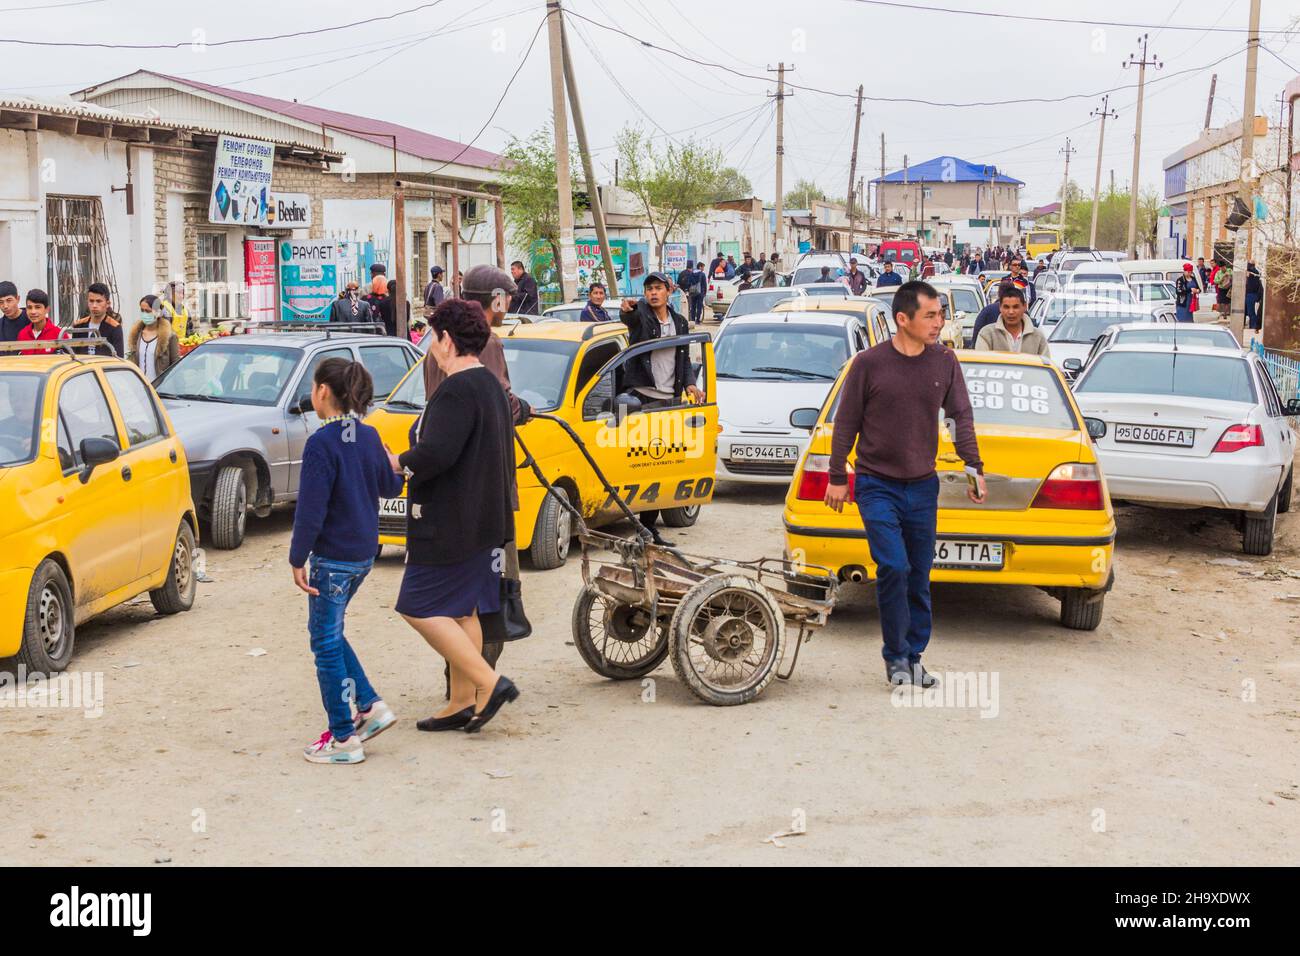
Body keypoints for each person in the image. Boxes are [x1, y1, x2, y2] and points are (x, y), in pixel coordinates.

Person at [823, 280, 985, 687]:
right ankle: (895, 656)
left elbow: (960, 415)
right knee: (893, 566)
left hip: (922, 486)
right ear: (902, 318)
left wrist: (973, 467)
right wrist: (838, 476)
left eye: (941, 315)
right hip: (877, 484)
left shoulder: (944, 362)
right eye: (930, 315)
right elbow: (847, 422)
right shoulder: (868, 364)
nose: (938, 323)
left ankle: (914, 656)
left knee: (918, 573)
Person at [389, 298, 520, 734]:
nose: (429, 345)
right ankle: (462, 701)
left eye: (431, 335)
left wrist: (398, 461)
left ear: (446, 340)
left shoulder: (457, 389)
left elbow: (437, 453)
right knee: (464, 613)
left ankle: (489, 682)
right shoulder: (487, 385)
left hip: (451, 522)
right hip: (485, 519)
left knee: (416, 606)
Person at [290, 358, 405, 764]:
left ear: (324, 391)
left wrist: (296, 557)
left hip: (333, 558)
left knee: (323, 641)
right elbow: (390, 484)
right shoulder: (370, 436)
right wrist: (395, 465)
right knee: (330, 633)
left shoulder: (321, 443)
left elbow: (311, 509)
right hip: (362, 555)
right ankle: (370, 706)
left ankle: (343, 737)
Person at [618, 272, 705, 546]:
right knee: (644, 465)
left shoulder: (679, 322)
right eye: (649, 289)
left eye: (657, 288)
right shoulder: (642, 316)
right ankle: (643, 529)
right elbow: (631, 320)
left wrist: (690, 384)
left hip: (670, 402)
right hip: (642, 400)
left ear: (669, 291)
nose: (653, 293)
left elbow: (684, 360)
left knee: (662, 466)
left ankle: (649, 529)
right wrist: (627, 310)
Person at [975, 287, 1049, 356]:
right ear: (1000, 307)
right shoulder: (987, 334)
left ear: (1024, 307)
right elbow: (980, 363)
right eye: (1006, 307)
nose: (1011, 312)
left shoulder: (1038, 337)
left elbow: (1045, 365)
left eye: (1015, 307)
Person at [130, 296, 180, 379]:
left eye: (148, 311)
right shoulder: (136, 335)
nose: (144, 314)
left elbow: (176, 365)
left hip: (160, 387)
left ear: (158, 313)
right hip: (140, 387)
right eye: (142, 310)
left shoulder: (170, 337)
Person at [71, 282, 124, 358]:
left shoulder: (114, 328)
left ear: (108, 303)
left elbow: (119, 358)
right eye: (91, 301)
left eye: (99, 301)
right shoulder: (79, 325)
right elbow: (73, 354)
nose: (94, 306)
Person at [16, 290, 66, 354]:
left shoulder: (59, 334)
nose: (33, 312)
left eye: (37, 307)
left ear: (47, 309)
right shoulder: (22, 334)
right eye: (29, 307)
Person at [1245, 263, 1263, 333]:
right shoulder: (1253, 275)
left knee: (1251, 312)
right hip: (1251, 294)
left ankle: (1254, 326)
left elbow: (1253, 271)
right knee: (1250, 312)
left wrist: (1249, 268)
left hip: (1252, 295)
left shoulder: (1254, 272)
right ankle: (1253, 326)